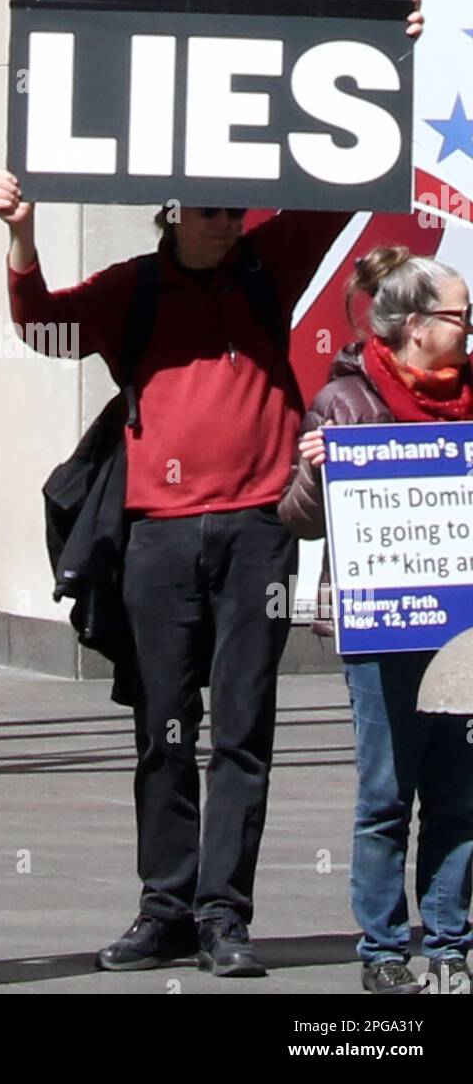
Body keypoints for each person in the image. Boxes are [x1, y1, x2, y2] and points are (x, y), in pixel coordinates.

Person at [0, 0, 424, 977]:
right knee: (161, 731)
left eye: (234, 207)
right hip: (155, 538)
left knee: (240, 728)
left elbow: (339, 174)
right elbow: (38, 322)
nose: (226, 221)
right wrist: (18, 235)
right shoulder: (129, 289)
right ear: (171, 212)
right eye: (209, 209)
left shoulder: (269, 261)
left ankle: (225, 915)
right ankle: (162, 909)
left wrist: (387, 57)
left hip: (257, 534)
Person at [279, 246, 473, 995]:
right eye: (460, 316)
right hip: (383, 629)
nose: (468, 328)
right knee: (386, 795)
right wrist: (314, 471)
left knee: (459, 796)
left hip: (460, 629)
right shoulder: (346, 402)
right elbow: (295, 521)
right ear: (417, 324)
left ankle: (451, 943)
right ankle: (384, 951)